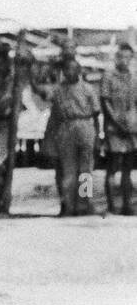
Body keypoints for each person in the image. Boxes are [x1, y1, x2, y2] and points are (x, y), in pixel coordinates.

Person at [48, 55, 102, 217]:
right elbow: (54, 114)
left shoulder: (88, 88)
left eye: (73, 69)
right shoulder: (57, 90)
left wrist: (97, 136)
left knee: (85, 169)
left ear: (79, 71)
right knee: (68, 170)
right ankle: (68, 205)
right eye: (66, 69)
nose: (69, 72)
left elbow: (95, 113)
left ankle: (84, 205)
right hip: (65, 128)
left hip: (85, 125)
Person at [100, 41, 137, 216]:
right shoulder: (108, 76)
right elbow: (105, 101)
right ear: (116, 57)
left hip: (130, 129)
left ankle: (127, 205)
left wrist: (131, 123)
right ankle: (110, 205)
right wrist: (116, 122)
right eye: (121, 56)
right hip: (113, 129)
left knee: (128, 169)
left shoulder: (133, 77)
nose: (124, 60)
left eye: (128, 57)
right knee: (112, 167)